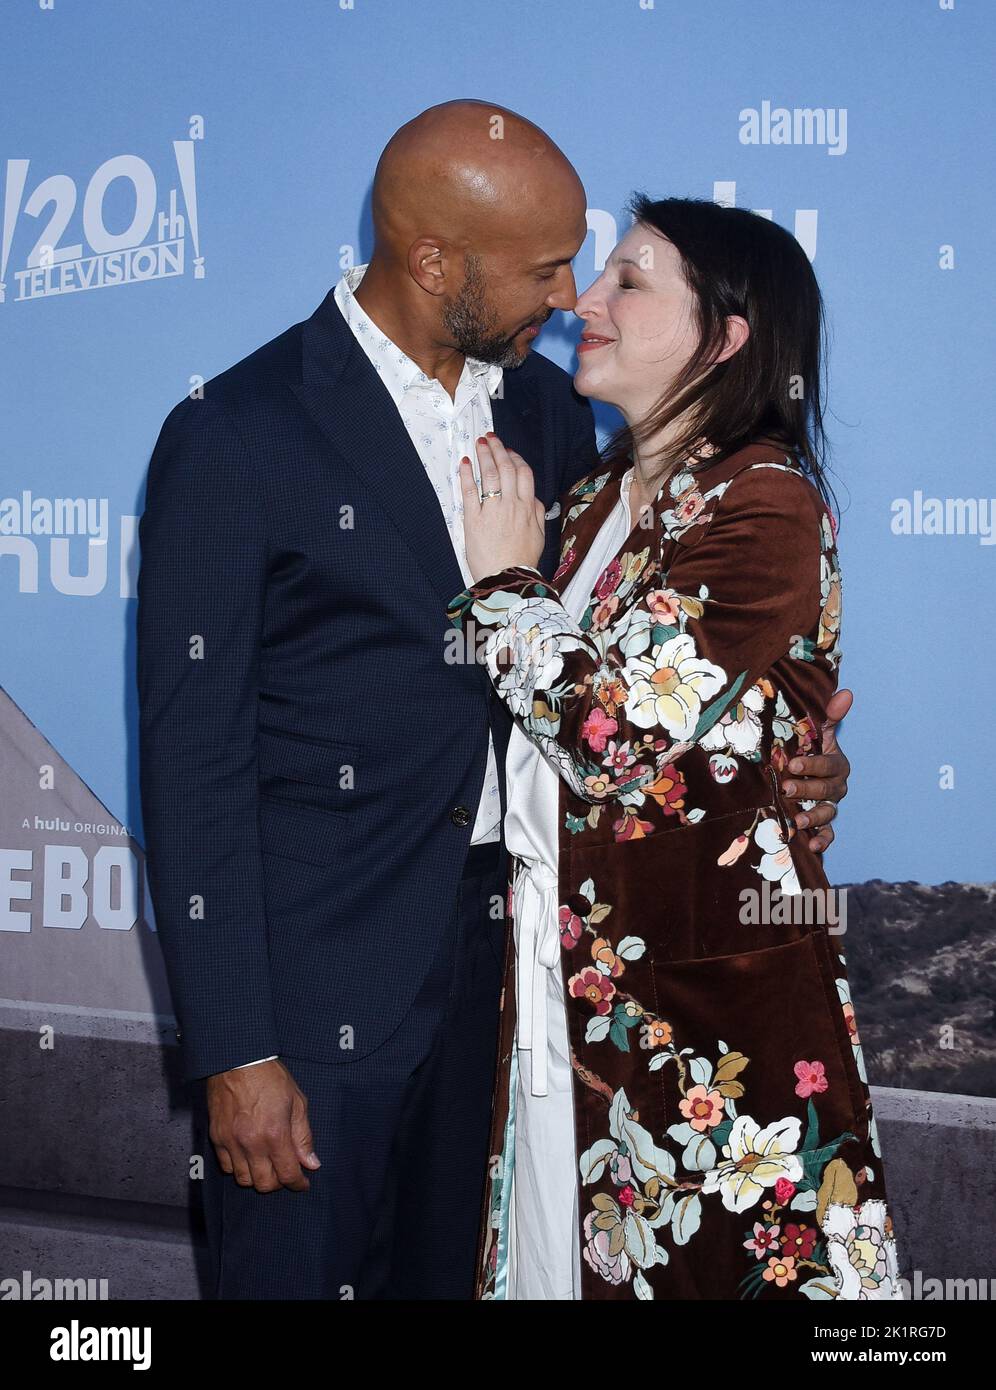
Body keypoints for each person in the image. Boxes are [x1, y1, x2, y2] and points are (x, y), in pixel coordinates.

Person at [137, 103, 850, 1302]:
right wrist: (236, 1050)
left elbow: (634, 666)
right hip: (313, 1002)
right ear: (432, 264)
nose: (572, 294)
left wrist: (786, 752)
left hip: (518, 990)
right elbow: (191, 755)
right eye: (543, 267)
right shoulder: (238, 433)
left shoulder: (555, 415)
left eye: (593, 262)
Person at [450, 195, 899, 1301]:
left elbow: (612, 731)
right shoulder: (596, 491)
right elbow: (506, 688)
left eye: (630, 282)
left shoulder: (767, 502)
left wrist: (504, 582)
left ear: (727, 336)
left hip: (716, 1016)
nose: (583, 304)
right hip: (563, 986)